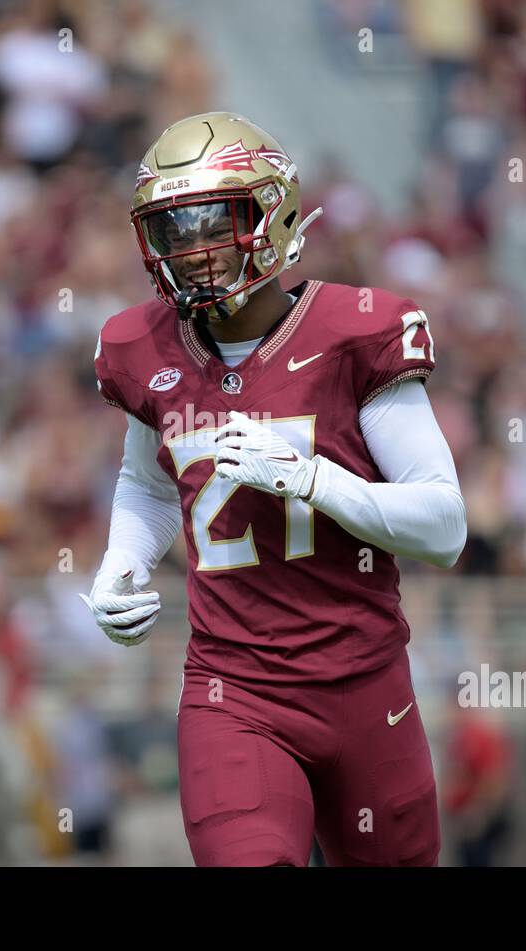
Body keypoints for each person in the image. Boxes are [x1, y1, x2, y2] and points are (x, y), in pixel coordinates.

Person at [81, 112, 466, 866]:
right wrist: (118, 561)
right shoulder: (143, 348)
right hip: (235, 694)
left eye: (211, 221)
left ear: (273, 210)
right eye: (172, 229)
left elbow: (445, 527)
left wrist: (314, 478)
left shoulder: (355, 332)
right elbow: (149, 486)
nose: (191, 250)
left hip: (366, 686)